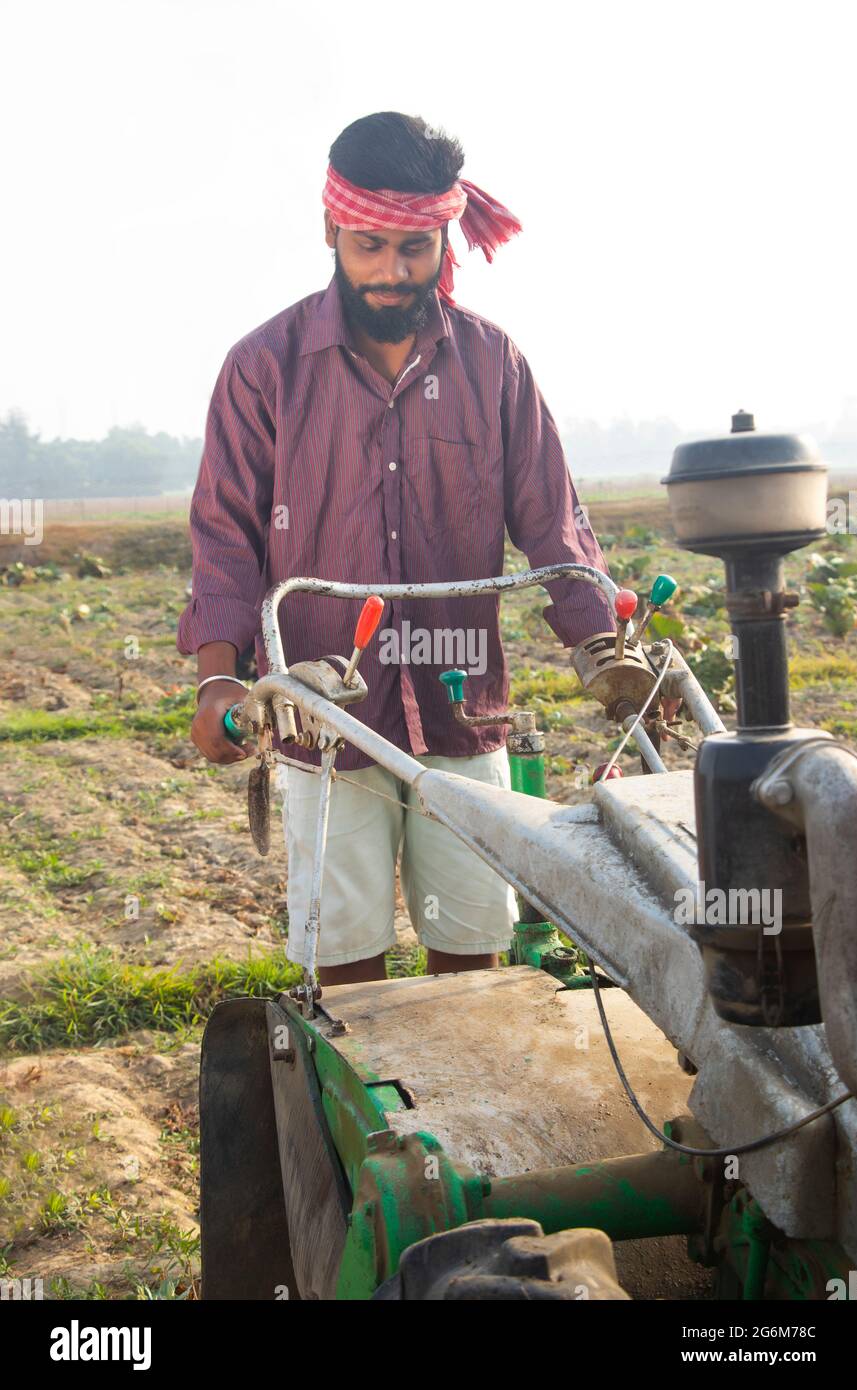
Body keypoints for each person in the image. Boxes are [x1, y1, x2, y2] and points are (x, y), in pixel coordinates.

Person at [178, 111, 635, 986]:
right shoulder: (263, 368)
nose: (393, 272)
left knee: (475, 957)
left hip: (460, 706)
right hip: (325, 713)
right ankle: (362, 1122)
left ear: (445, 237)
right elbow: (225, 539)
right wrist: (218, 679)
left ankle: (465, 1126)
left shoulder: (494, 365)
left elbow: (554, 524)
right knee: (345, 962)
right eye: (371, 245)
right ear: (331, 231)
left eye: (415, 248)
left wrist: (604, 651)